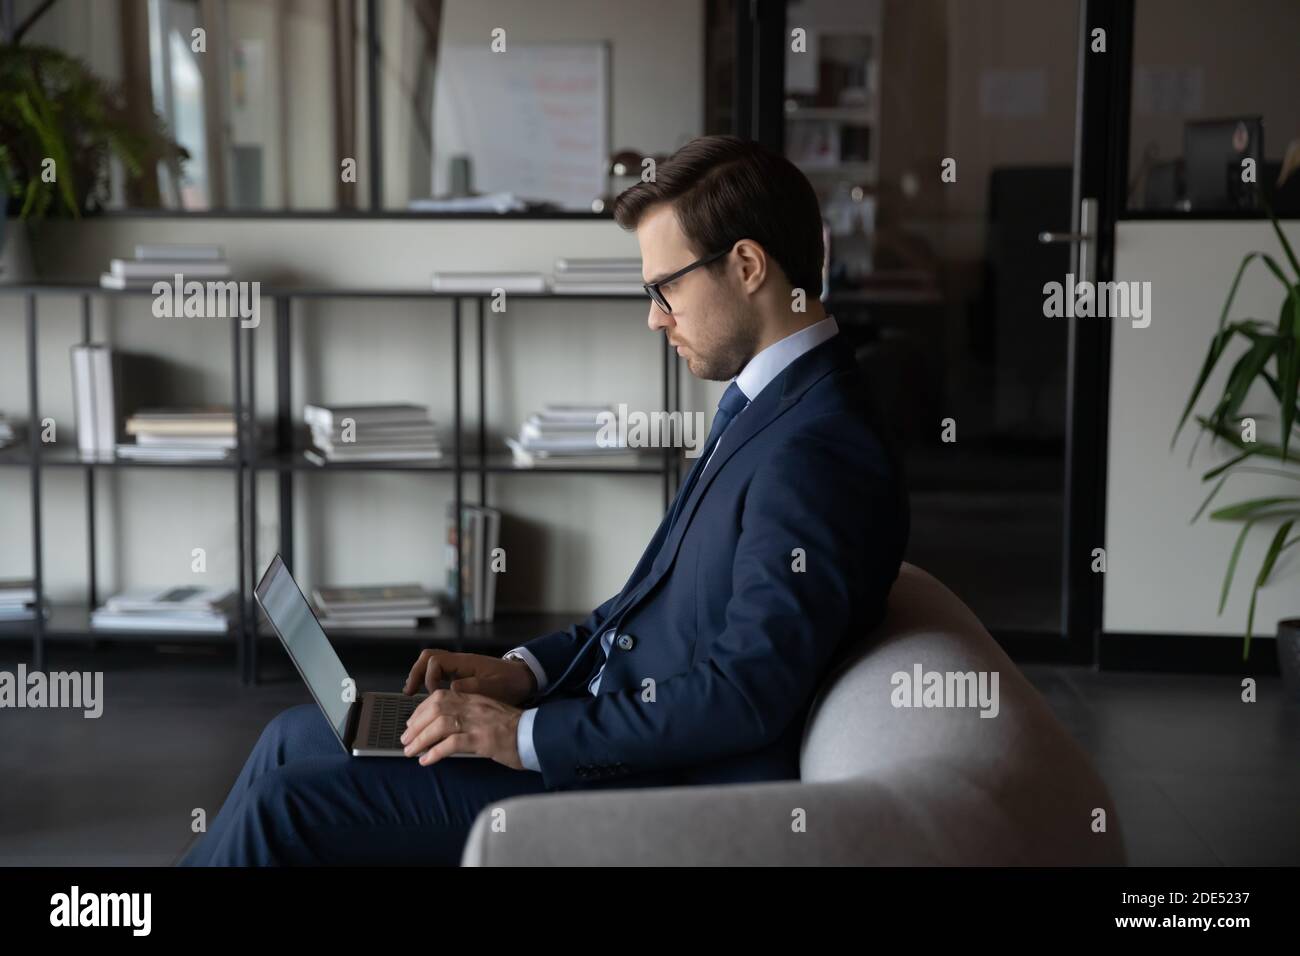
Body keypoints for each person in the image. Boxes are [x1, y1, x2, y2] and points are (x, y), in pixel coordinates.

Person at [180, 135, 909, 866]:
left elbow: (745, 693)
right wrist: (522, 672)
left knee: (288, 805)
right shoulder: (767, 405)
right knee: (292, 737)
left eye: (668, 287)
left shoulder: (818, 448)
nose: (656, 317)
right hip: (596, 729)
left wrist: (518, 734)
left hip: (648, 788)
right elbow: (643, 607)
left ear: (748, 267)